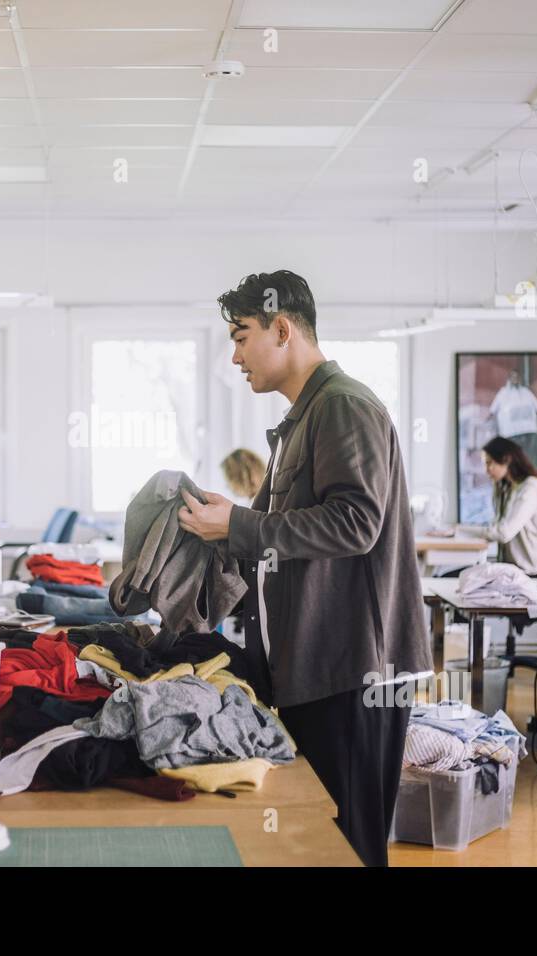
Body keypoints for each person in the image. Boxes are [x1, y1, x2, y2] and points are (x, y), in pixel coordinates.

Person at [176, 270, 431, 867]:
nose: (234, 355)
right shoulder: (300, 419)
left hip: (354, 671)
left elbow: (355, 523)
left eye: (241, 336)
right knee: (315, 838)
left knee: (348, 842)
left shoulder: (343, 407)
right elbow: (273, 538)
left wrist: (237, 523)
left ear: (282, 328)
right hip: (314, 664)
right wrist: (222, 524)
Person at [458, 436, 537, 576]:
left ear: (507, 460)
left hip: (530, 572)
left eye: (490, 463)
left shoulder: (530, 488)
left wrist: (460, 530)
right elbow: (496, 527)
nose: (487, 470)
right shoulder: (507, 489)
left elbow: (503, 533)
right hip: (510, 571)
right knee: (460, 576)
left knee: (460, 578)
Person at [489, 369, 537, 472]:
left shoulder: (526, 391)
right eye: (513, 377)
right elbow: (492, 411)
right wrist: (488, 424)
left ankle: (533, 478)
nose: (515, 379)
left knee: (532, 459)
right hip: (511, 433)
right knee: (513, 460)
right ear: (509, 379)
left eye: (517, 377)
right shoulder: (502, 393)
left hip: (529, 431)